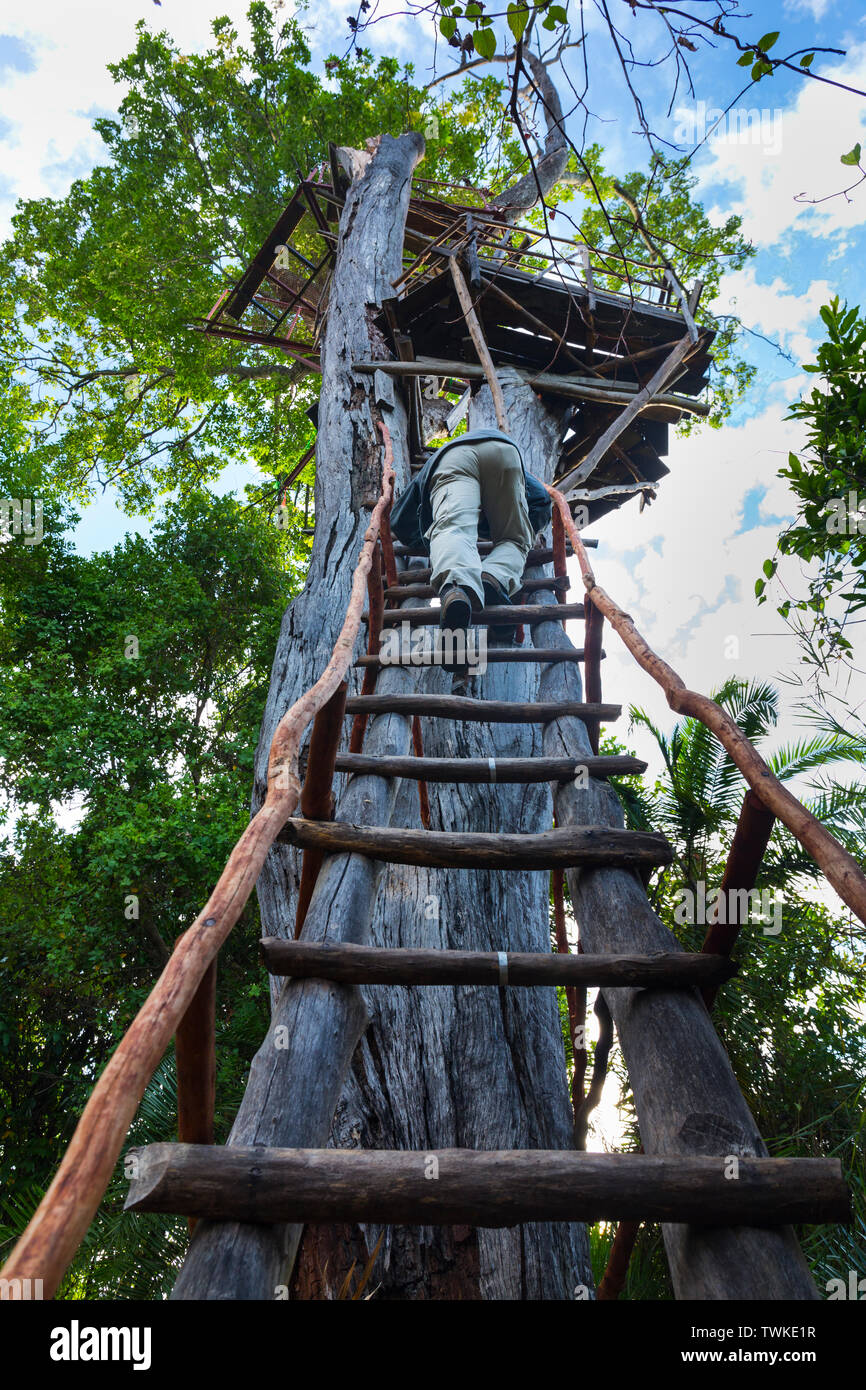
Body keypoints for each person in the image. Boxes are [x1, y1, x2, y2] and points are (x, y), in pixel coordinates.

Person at [390, 427, 551, 646]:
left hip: (452, 459)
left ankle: (456, 589)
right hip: (503, 450)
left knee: (451, 530)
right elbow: (541, 499)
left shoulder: (428, 468)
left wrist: (426, 539)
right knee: (514, 540)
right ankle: (494, 576)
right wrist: (524, 526)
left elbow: (398, 520)